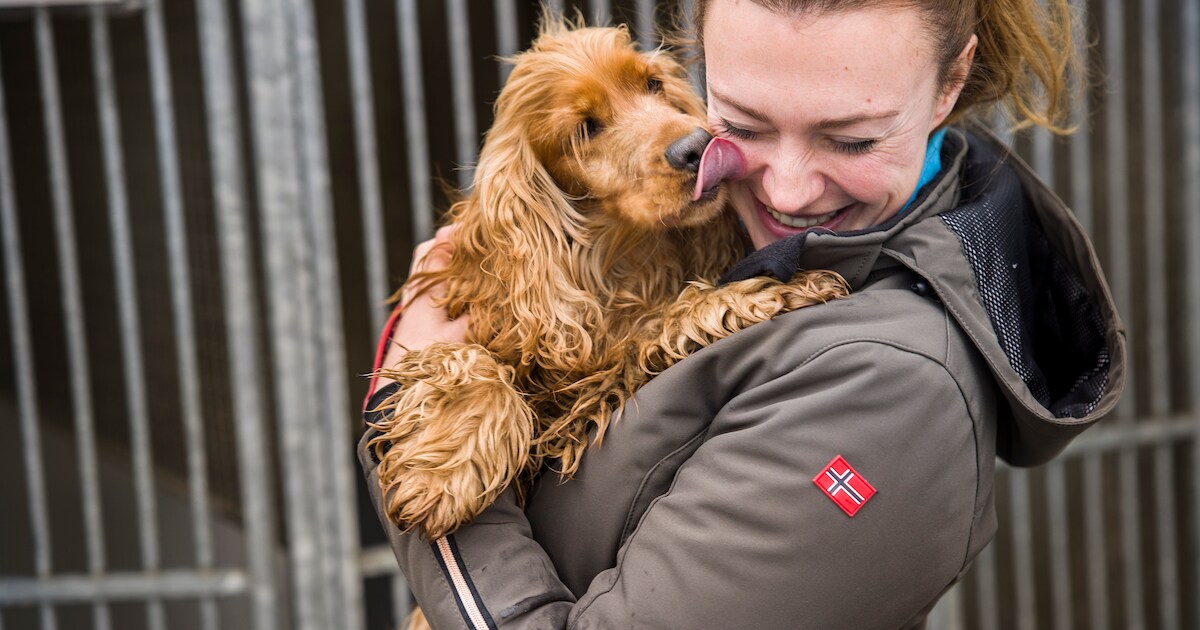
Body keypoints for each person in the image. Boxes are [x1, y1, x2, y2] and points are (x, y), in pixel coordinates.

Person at [359, 0, 1126, 627]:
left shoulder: (895, 385)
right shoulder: (723, 246)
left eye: (851, 138)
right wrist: (463, 374)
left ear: (953, 80)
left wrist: (402, 402)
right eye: (744, 124)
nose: (785, 194)